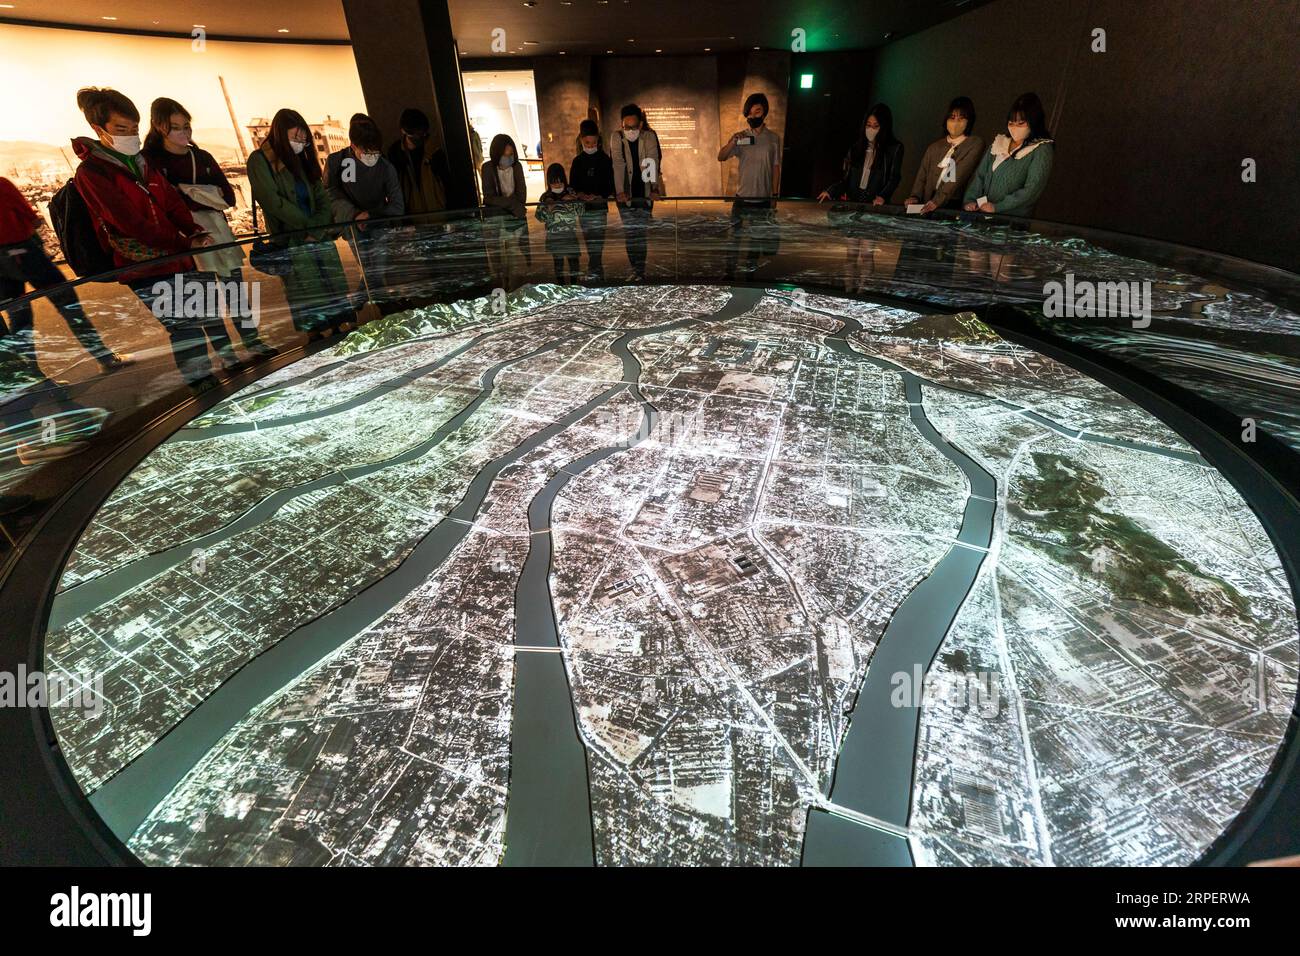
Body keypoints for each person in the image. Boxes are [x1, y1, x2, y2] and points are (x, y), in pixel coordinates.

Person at [71, 87, 220, 387]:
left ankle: (212, 378)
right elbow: (130, 223)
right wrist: (182, 242)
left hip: (178, 259)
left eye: (134, 128)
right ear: (99, 129)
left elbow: (170, 201)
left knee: (203, 316)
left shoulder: (141, 161)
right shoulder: (91, 173)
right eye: (121, 129)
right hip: (143, 266)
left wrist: (192, 230)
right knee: (183, 328)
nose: (130, 135)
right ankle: (203, 386)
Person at [144, 97, 276, 360]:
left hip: (217, 232)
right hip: (188, 240)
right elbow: (164, 204)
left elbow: (227, 196)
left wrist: (185, 194)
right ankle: (227, 356)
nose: (183, 132)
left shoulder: (201, 156)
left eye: (186, 126)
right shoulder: (151, 162)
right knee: (204, 302)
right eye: (176, 126)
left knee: (236, 294)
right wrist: (201, 196)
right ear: (160, 127)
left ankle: (253, 342)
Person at [0, 175, 131, 373]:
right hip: (25, 253)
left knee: (19, 316)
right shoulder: (2, 184)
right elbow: (33, 220)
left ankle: (31, 375)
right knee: (68, 304)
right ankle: (104, 358)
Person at [247, 108, 354, 337]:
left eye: (303, 139)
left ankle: (338, 326)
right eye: (296, 138)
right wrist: (308, 228)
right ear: (280, 134)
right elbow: (273, 202)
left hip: (318, 237)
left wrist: (317, 228)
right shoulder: (260, 161)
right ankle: (315, 336)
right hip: (293, 240)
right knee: (306, 291)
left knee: (331, 284)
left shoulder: (302, 160)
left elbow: (322, 197)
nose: (300, 143)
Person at [327, 114, 404, 300]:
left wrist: (371, 215)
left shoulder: (385, 167)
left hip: (378, 224)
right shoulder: (342, 162)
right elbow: (332, 194)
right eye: (366, 152)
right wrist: (354, 215)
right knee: (371, 271)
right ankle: (377, 306)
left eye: (375, 152)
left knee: (375, 271)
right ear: (353, 146)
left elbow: (397, 205)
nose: (372, 157)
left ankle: (360, 302)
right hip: (353, 226)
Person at [718, 92, 782, 277]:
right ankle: (729, 273)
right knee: (734, 238)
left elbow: (776, 167)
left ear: (764, 112)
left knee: (755, 240)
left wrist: (775, 195)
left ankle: (749, 275)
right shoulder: (741, 137)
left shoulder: (773, 139)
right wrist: (732, 141)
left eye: (758, 111)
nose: (754, 116)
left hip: (762, 199)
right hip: (742, 197)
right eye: (751, 113)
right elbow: (721, 157)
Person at [963, 92, 1054, 217]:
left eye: (1021, 123)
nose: (1015, 127)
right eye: (1011, 123)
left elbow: (1031, 190)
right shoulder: (1000, 142)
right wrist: (970, 200)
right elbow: (980, 175)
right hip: (981, 213)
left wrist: (997, 207)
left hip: (1011, 220)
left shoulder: (1041, 149)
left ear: (1034, 122)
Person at [903, 97, 984, 212]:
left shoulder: (974, 143)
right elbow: (922, 175)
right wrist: (914, 196)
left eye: (961, 118)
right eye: (952, 118)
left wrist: (937, 200)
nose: (955, 122)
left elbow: (959, 174)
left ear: (969, 121)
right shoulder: (935, 147)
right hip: (927, 202)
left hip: (953, 203)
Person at [610, 104, 663, 281]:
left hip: (644, 191)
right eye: (627, 127)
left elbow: (652, 160)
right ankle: (635, 268)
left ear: (640, 125)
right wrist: (619, 192)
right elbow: (617, 164)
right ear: (621, 125)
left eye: (634, 127)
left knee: (639, 232)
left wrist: (654, 188)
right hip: (625, 193)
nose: (630, 130)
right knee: (630, 232)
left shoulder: (648, 136)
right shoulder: (616, 137)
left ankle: (640, 271)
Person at [817, 104, 904, 205]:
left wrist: (882, 196)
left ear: (884, 127)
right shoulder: (856, 149)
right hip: (853, 202)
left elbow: (894, 178)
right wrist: (830, 191)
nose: (871, 129)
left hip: (876, 204)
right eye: (868, 125)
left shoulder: (894, 148)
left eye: (876, 126)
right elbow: (846, 180)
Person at [480, 133, 530, 287]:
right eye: (504, 154)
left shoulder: (517, 166)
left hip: (513, 219)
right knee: (497, 256)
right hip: (496, 219)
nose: (508, 158)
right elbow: (488, 198)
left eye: (511, 154)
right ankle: (500, 285)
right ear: (496, 154)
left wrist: (506, 203)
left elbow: (522, 195)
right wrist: (510, 203)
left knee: (513, 255)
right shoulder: (488, 168)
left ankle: (511, 286)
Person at [568, 119, 614, 281]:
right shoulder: (577, 161)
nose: (590, 146)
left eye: (593, 143)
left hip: (599, 207)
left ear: (598, 141)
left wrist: (598, 195)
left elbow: (610, 185)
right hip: (584, 208)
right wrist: (580, 194)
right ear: (581, 140)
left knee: (597, 242)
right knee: (590, 242)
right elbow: (572, 185)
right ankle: (596, 272)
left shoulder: (605, 160)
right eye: (587, 143)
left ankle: (595, 271)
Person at [386, 108, 448, 216]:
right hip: (411, 217)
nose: (420, 137)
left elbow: (447, 185)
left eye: (423, 133)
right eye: (416, 134)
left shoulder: (436, 151)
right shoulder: (396, 153)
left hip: (438, 214)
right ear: (404, 131)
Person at [535, 163, 583, 283]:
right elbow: (540, 217)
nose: (557, 185)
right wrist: (548, 209)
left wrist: (574, 200)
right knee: (558, 263)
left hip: (570, 235)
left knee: (574, 263)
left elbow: (581, 211)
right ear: (549, 182)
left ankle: (574, 285)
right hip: (554, 237)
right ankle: (561, 286)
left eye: (560, 182)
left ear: (564, 180)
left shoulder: (571, 193)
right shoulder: (545, 197)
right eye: (554, 182)